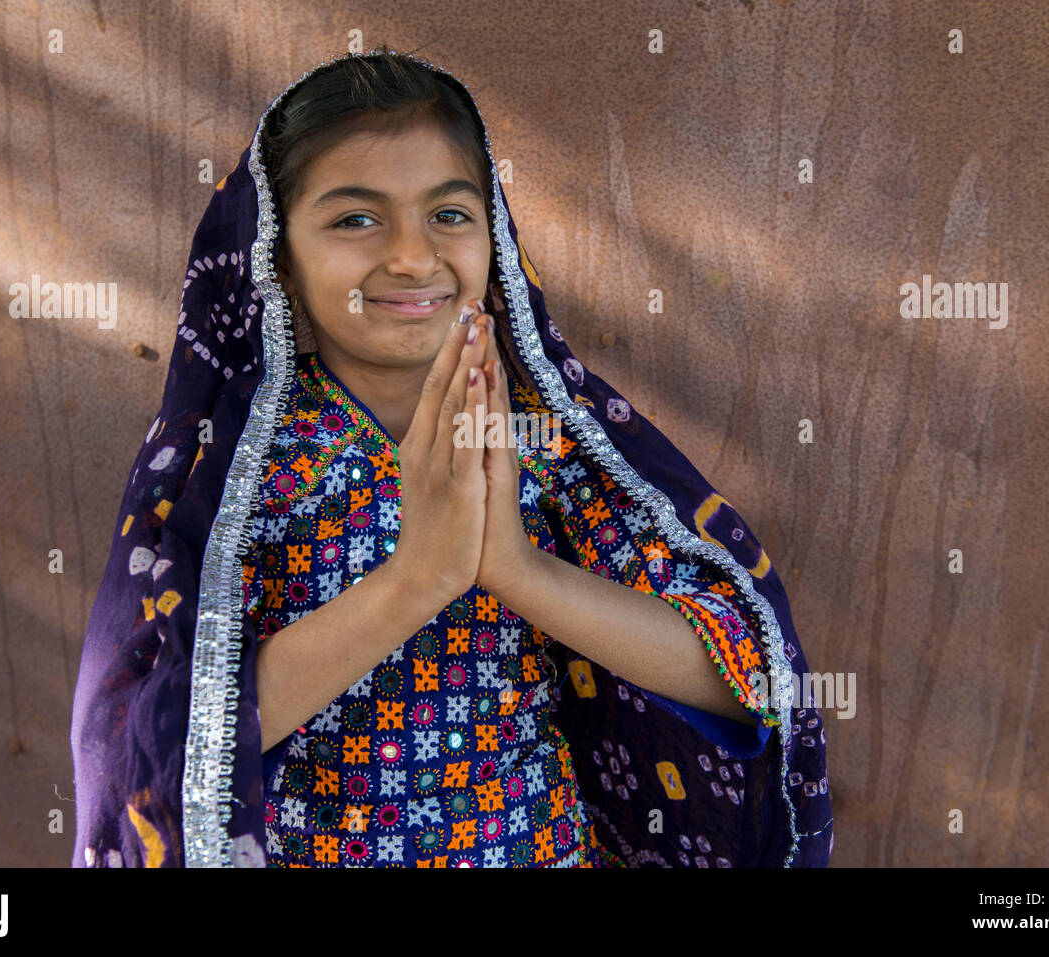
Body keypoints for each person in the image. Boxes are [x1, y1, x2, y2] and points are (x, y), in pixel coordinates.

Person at [70, 48, 833, 868]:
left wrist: (519, 570)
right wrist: (414, 581)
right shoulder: (232, 476)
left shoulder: (547, 436)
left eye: (450, 213)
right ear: (277, 255)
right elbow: (158, 741)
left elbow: (751, 679)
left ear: (494, 235)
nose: (411, 256)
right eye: (355, 218)